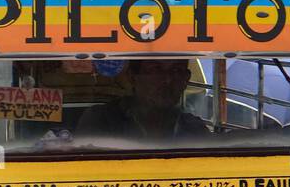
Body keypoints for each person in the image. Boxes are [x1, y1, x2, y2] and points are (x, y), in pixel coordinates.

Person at [77, 59, 210, 142]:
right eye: (155, 70)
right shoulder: (101, 120)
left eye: (176, 70)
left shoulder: (195, 130)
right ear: (132, 76)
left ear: (186, 79)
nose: (168, 80)